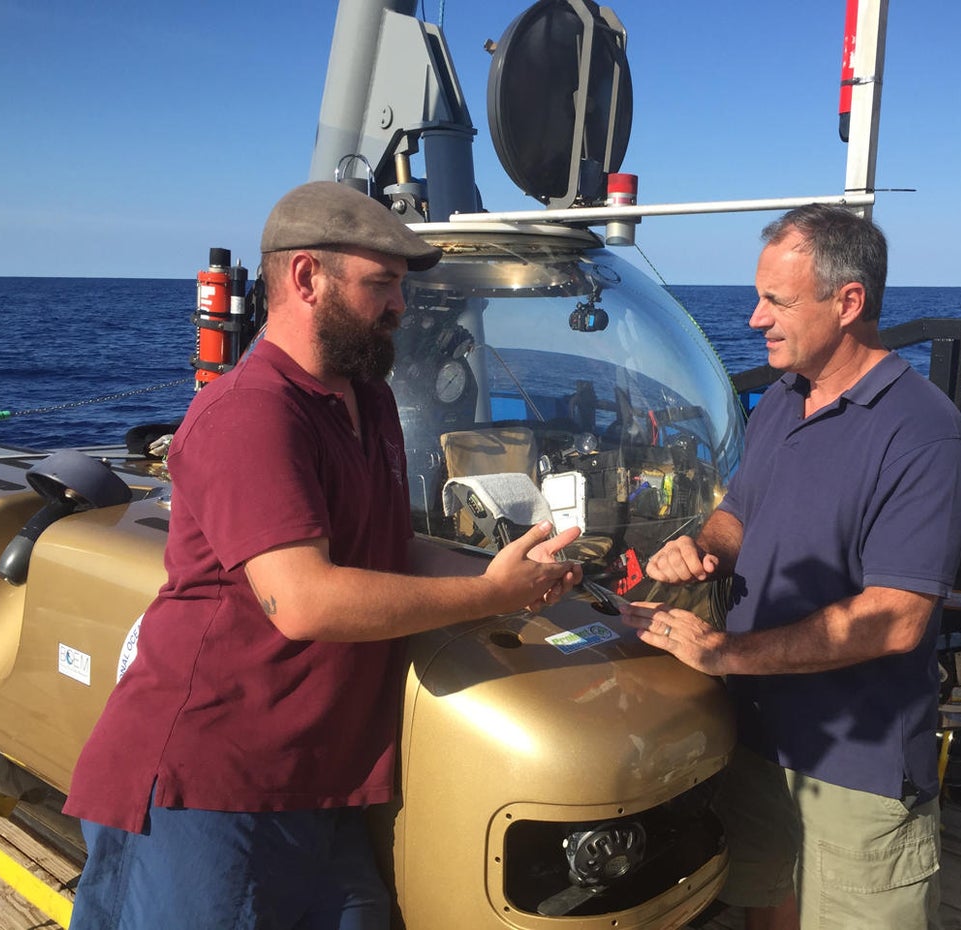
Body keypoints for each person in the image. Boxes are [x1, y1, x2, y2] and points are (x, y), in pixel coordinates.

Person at [63, 181, 582, 929]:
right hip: (208, 783)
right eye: (381, 285)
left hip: (320, 781)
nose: (400, 306)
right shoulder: (251, 412)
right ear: (306, 278)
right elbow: (302, 600)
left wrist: (527, 581)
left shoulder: (366, 400)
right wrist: (490, 595)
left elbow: (384, 548)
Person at [621, 204, 961, 930]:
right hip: (757, 736)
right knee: (765, 904)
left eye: (776, 301)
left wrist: (724, 652)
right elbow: (740, 509)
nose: (755, 319)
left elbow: (897, 618)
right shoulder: (784, 399)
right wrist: (708, 547)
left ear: (849, 303)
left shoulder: (925, 435)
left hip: (856, 764)